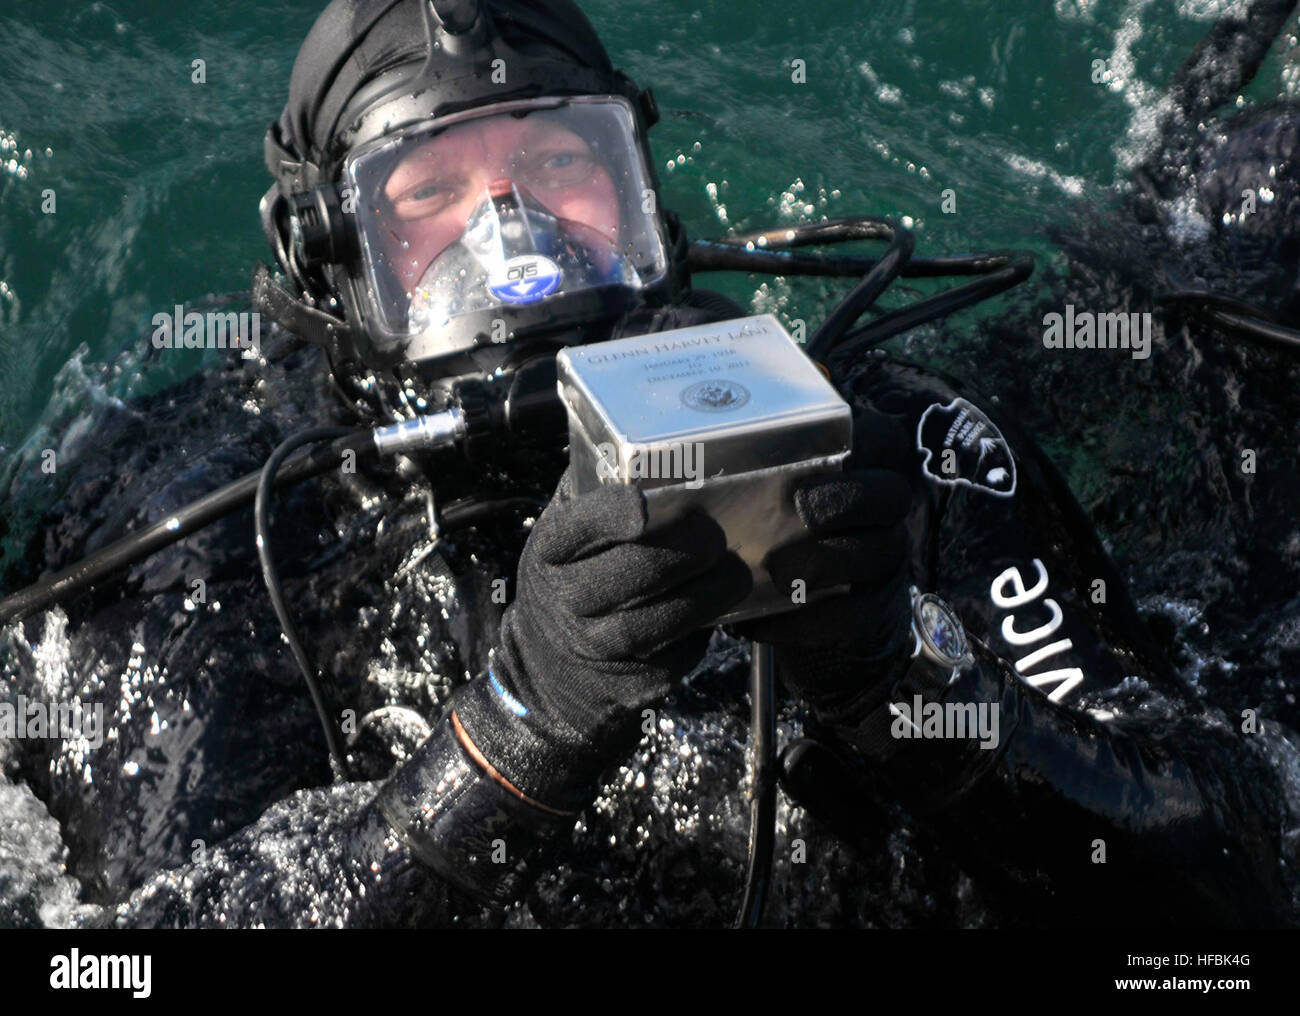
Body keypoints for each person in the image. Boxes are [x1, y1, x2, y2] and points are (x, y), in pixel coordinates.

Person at [3, 0, 1296, 928]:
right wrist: (528, 717)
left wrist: (905, 684)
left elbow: (1230, 885)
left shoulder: (886, 442)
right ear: (328, 256)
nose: (510, 241)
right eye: (430, 194)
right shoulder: (203, 531)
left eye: (560, 163)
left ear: (646, 198)